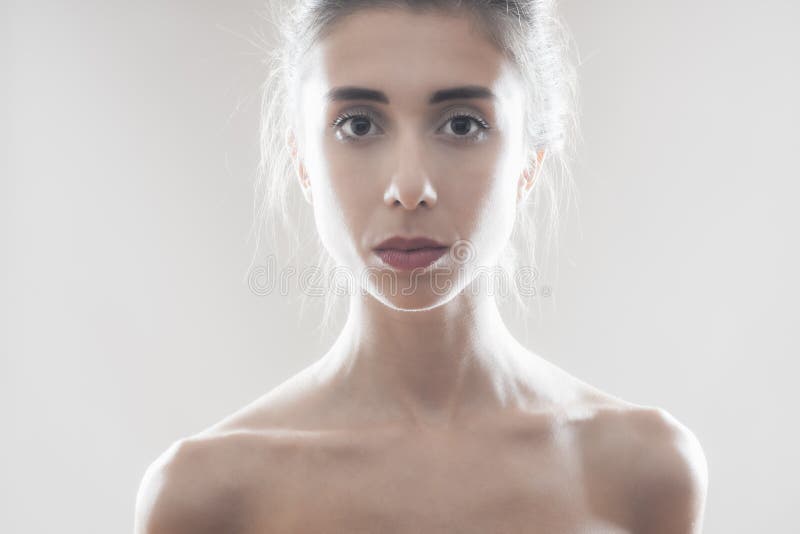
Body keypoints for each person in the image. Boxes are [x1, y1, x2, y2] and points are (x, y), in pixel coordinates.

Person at [135, 1, 708, 532]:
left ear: (529, 164)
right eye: (358, 124)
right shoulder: (205, 497)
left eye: (462, 124)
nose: (409, 188)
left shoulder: (644, 473)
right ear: (303, 162)